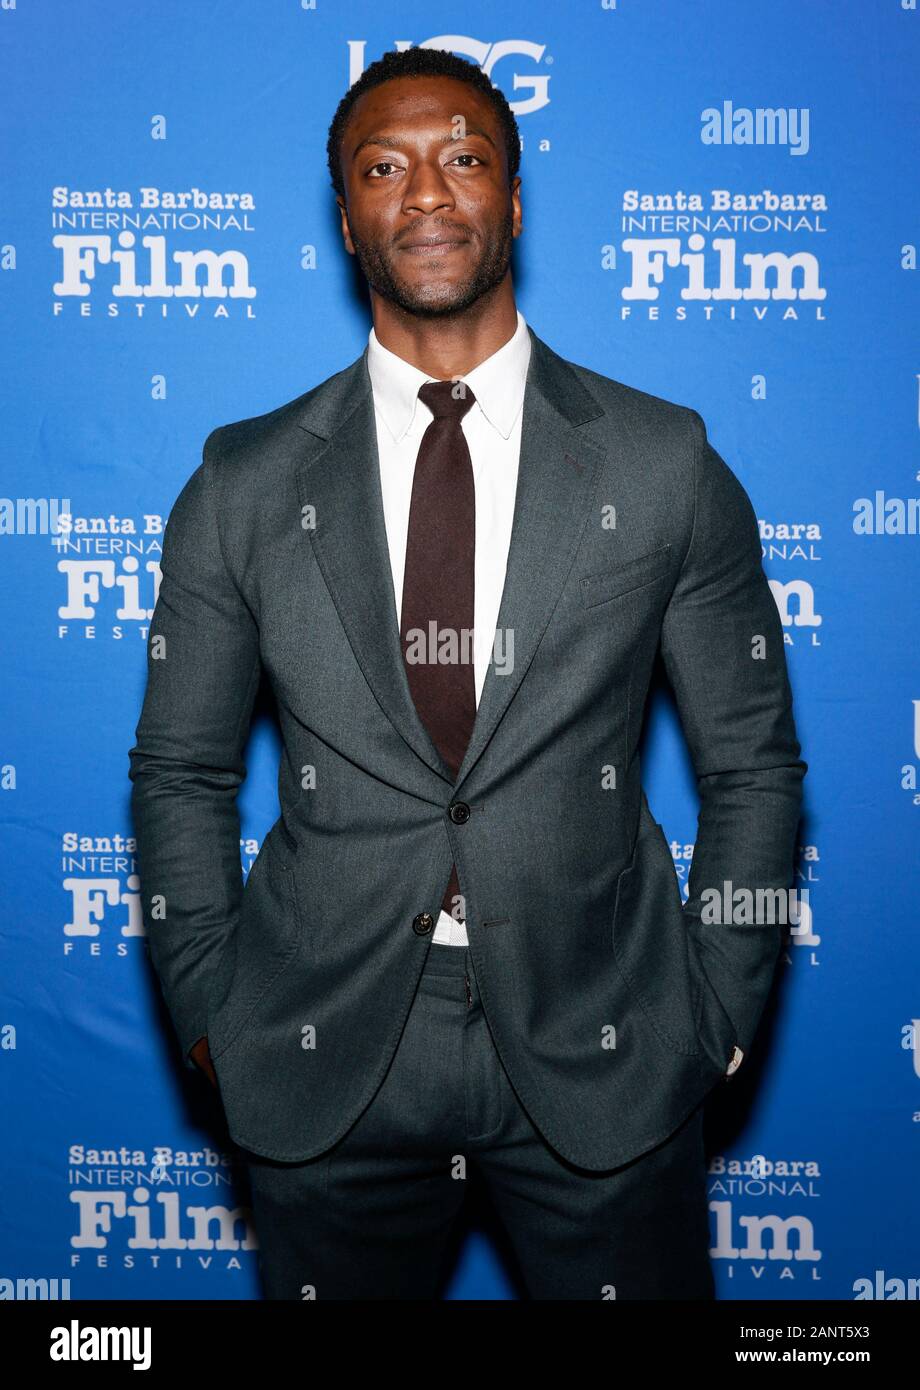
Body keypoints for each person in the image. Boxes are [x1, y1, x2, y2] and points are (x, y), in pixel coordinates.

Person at [129, 46, 806, 1300]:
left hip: (607, 1047)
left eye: (462, 157)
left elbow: (751, 766)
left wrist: (712, 1015)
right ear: (344, 218)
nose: (425, 193)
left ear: (512, 194)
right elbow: (180, 770)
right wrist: (212, 1012)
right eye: (383, 167)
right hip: (322, 1050)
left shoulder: (662, 464)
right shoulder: (244, 480)